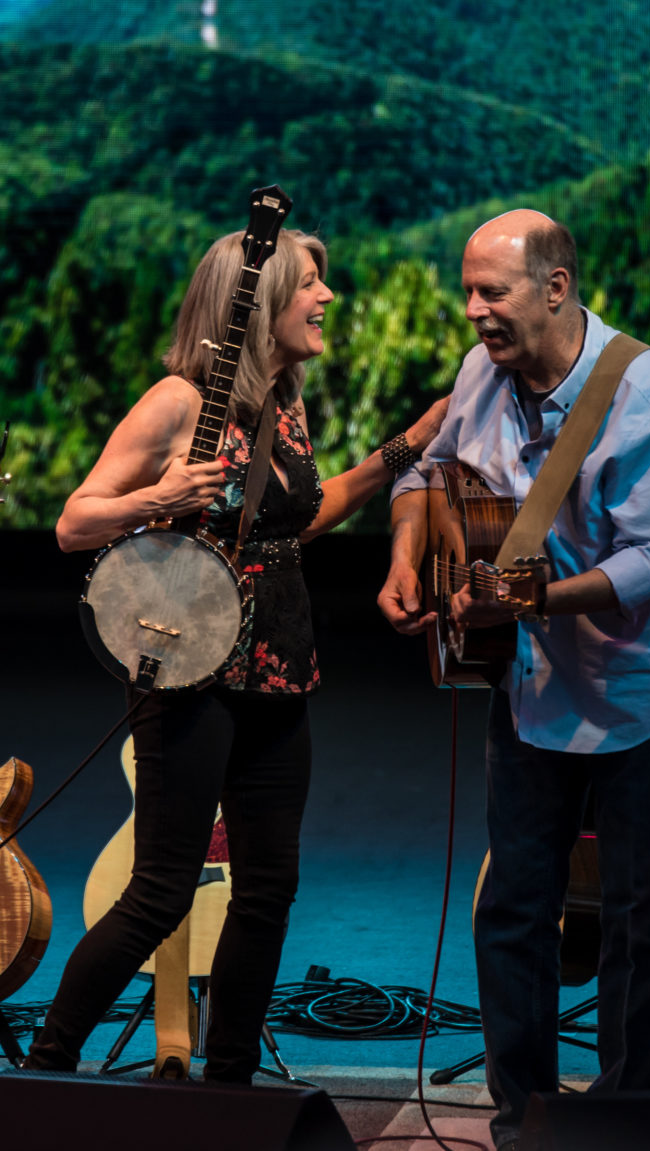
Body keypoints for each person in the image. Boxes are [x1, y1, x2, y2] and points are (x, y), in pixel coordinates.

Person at [24, 226, 448, 1081]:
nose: (327, 297)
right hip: (193, 670)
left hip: (280, 667)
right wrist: (159, 493)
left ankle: (229, 1077)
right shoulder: (180, 402)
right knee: (161, 890)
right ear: (255, 305)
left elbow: (301, 515)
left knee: (267, 890)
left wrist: (410, 444)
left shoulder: (285, 400)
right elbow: (74, 523)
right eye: (310, 284)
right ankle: (48, 1059)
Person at [377, 209, 650, 1148]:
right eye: (468, 290)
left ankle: (619, 1110)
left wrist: (534, 600)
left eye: (494, 292)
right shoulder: (480, 374)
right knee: (515, 898)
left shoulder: (643, 394)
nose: (473, 311)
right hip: (526, 683)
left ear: (556, 289)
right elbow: (423, 479)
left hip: (641, 691)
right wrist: (409, 560)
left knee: (640, 914)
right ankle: (521, 1108)